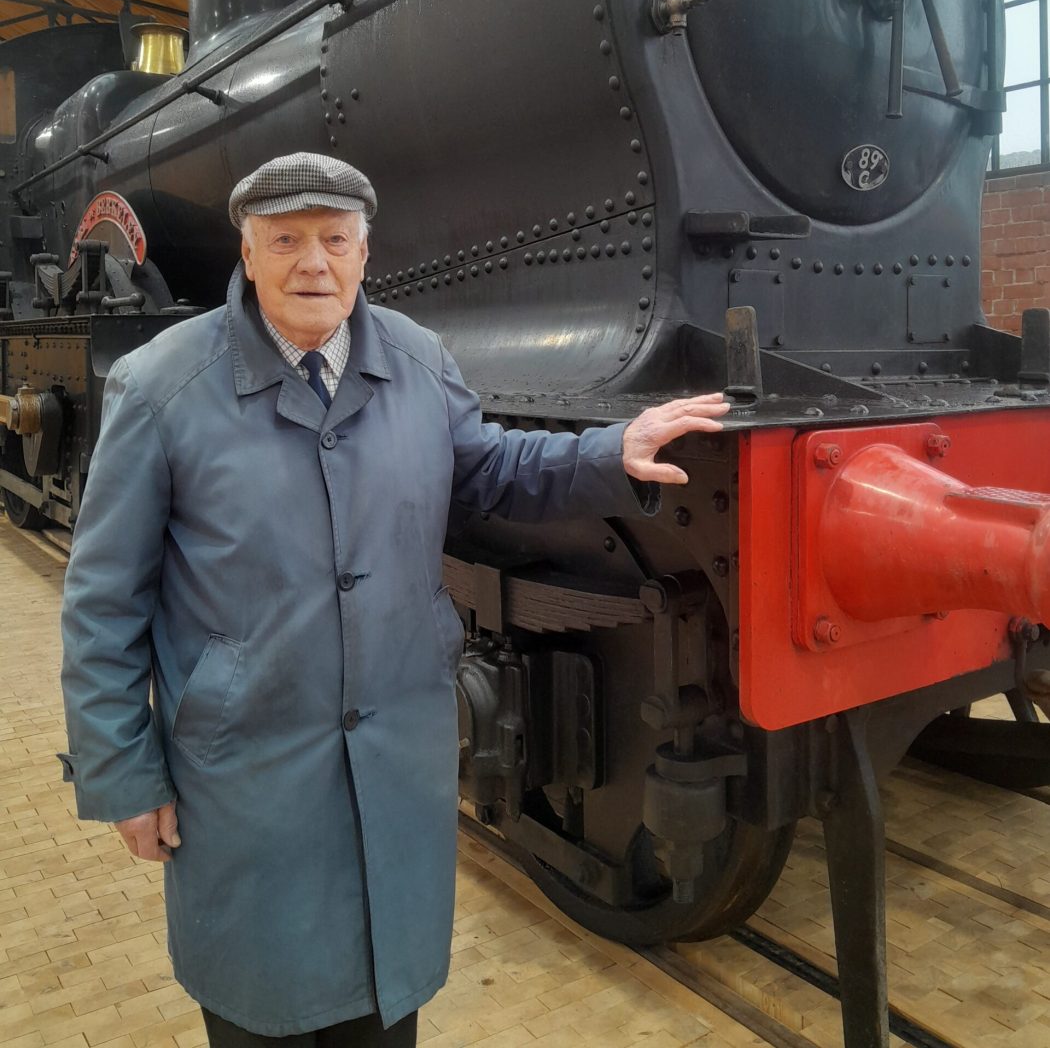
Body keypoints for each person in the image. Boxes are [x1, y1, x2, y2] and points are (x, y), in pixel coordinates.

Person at [59, 152, 731, 1048]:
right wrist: (125, 776)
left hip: (395, 760)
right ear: (247, 253)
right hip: (245, 776)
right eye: (287, 240)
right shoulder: (160, 388)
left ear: (364, 253)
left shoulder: (419, 361)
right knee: (263, 1011)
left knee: (386, 1010)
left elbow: (486, 474)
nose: (314, 263)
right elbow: (103, 602)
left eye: (335, 240)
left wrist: (609, 453)